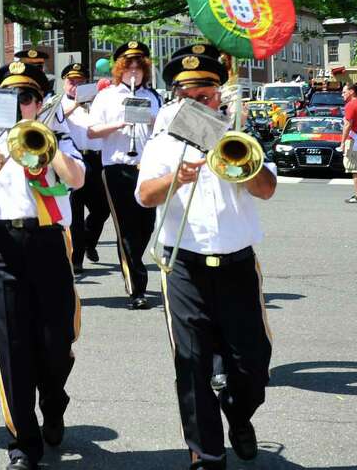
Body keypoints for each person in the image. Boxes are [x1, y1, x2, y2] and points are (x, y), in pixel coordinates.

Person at [136, 51, 277, 470]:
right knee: (191, 363)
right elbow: (144, 196)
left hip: (237, 265)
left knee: (252, 365)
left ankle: (238, 412)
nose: (199, 103)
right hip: (184, 266)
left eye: (207, 95)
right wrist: (175, 177)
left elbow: (266, 190)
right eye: (190, 96)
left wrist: (239, 156)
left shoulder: (237, 140)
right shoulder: (163, 145)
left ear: (219, 98)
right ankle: (206, 454)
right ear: (176, 100)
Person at [0, 60, 86, 470]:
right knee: (12, 348)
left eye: (27, 97)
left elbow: (78, 180)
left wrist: (47, 149)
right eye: (12, 97)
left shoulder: (56, 135)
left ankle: (53, 400)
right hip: (2, 245)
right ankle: (22, 443)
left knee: (56, 343)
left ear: (38, 102)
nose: (20, 104)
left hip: (48, 242)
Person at [87, 41, 161, 309]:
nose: (133, 73)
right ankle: (137, 288)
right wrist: (120, 123)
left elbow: (162, 132)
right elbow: (92, 132)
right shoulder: (106, 97)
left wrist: (152, 120)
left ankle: (135, 267)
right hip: (118, 167)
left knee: (147, 225)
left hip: (148, 167)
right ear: (119, 70)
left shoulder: (154, 97)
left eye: (138, 68)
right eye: (128, 68)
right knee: (126, 228)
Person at [54, 61, 106, 274]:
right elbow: (56, 120)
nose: (75, 85)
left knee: (102, 209)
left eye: (80, 82)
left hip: (95, 159)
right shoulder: (58, 103)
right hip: (72, 158)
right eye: (71, 81)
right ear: (64, 83)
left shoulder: (98, 103)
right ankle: (76, 259)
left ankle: (89, 239)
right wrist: (76, 103)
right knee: (74, 212)